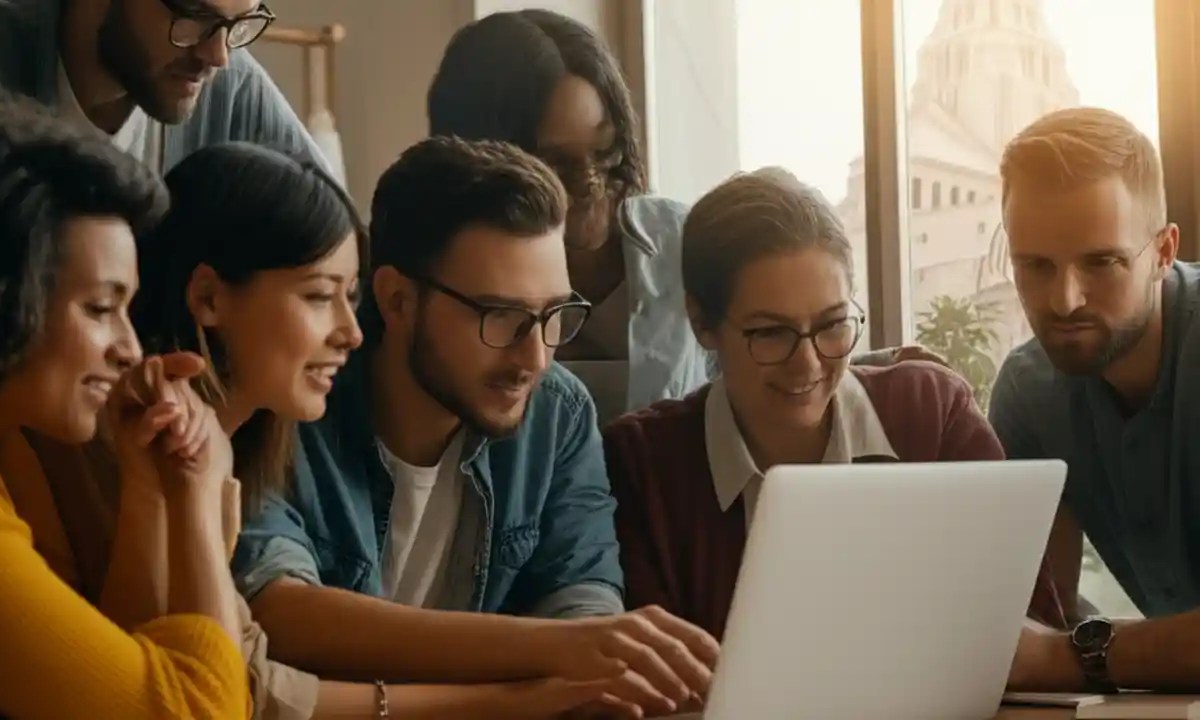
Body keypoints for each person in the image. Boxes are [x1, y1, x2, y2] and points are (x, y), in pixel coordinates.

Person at [30, 141, 633, 719]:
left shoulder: (233, 447)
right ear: (209, 298)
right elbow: (226, 689)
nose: (351, 330)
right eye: (321, 296)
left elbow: (228, 678)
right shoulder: (159, 445)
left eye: (555, 315)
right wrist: (530, 679)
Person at [234, 136, 720, 718]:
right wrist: (558, 651)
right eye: (502, 317)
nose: (536, 358)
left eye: (554, 316)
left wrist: (600, 665)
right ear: (396, 300)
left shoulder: (559, 413)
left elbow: (580, 597)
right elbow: (279, 611)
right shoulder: (293, 397)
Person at [602, 167, 1066, 641]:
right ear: (703, 323)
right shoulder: (641, 462)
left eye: (832, 325)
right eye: (771, 333)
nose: (808, 364)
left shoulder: (933, 413)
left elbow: (1034, 629)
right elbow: (657, 681)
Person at [427, 9, 938, 417]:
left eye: (606, 151)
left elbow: (755, 365)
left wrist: (874, 372)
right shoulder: (448, 288)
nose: (591, 182)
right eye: (555, 163)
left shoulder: (684, 241)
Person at [0, 84, 247, 719]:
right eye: (100, 308)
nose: (129, 347)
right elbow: (193, 712)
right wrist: (200, 503)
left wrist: (152, 488)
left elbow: (107, 682)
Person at [989, 108, 1200, 692]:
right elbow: (1036, 620)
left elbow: (1047, 653)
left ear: (1163, 251)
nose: (1063, 300)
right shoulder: (1029, 394)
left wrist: (1067, 657)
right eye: (1036, 266)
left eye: (1101, 262)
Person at [0, 0, 328, 177]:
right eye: (194, 15)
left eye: (238, 23)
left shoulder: (229, 86)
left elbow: (336, 246)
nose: (218, 55)